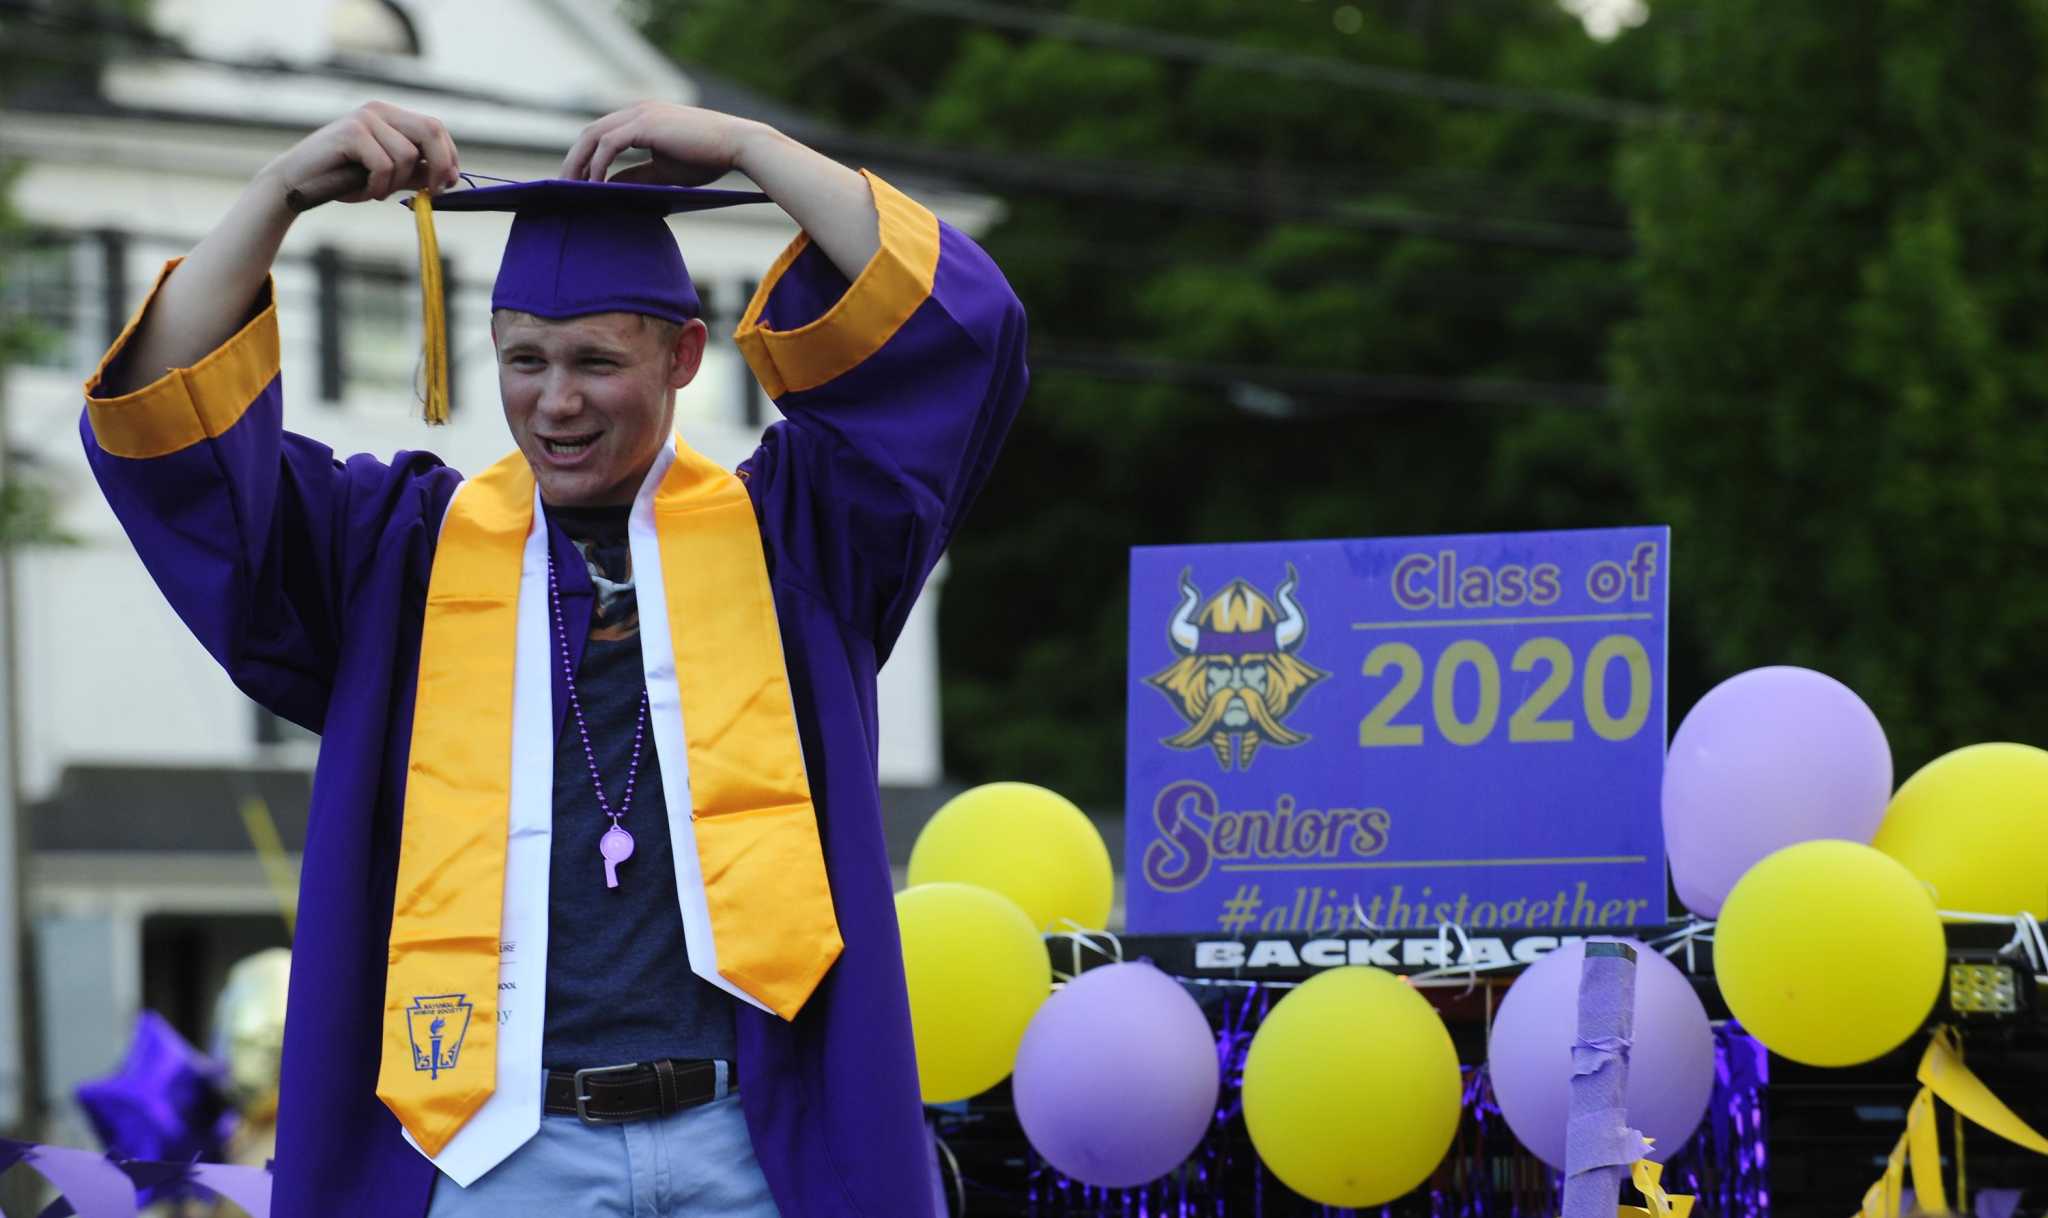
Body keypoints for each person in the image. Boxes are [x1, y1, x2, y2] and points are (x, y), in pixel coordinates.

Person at [80, 99, 1028, 1217]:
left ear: (682, 355)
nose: (555, 400)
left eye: (593, 360)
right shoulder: (395, 558)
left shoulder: (800, 542)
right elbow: (168, 433)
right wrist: (280, 190)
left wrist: (750, 150)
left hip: (752, 1149)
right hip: (499, 1159)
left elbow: (960, 330)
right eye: (524, 359)